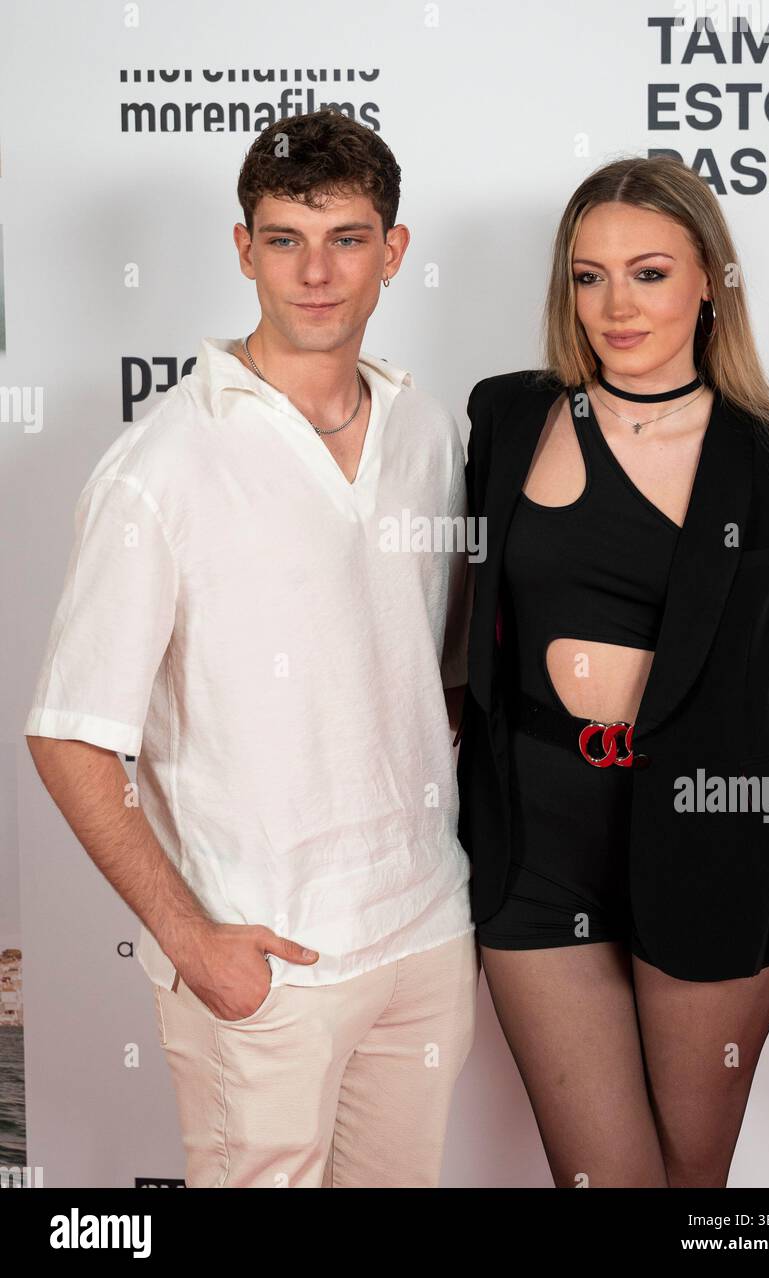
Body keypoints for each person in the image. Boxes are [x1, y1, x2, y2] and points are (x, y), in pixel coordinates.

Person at [24, 110, 478, 1188]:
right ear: (244, 250)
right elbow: (70, 738)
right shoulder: (161, 466)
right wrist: (192, 941)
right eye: (284, 238)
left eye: (347, 238)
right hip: (262, 956)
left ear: (393, 251)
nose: (314, 272)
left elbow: (437, 677)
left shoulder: (426, 431)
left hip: (420, 933)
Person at [456, 154, 769, 1188]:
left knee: (688, 1194)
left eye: (645, 272)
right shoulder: (506, 419)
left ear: (707, 282)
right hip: (537, 858)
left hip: (718, 853)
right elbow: (456, 645)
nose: (612, 304)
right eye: (586, 276)